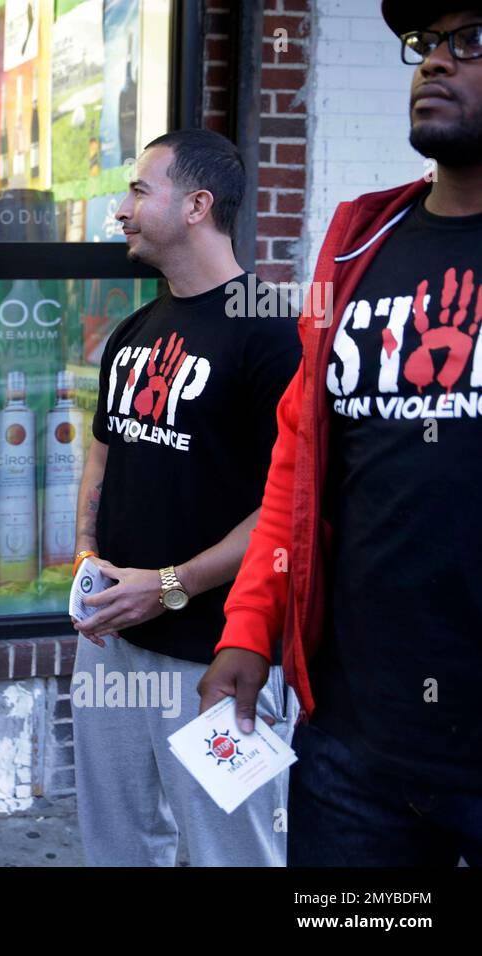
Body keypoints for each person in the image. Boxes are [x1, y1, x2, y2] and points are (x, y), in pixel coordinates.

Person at [199, 1, 482, 867]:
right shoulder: (359, 242)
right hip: (353, 748)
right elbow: (299, 461)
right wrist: (249, 627)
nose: (434, 62)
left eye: (470, 41)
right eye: (426, 43)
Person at [71, 129, 302, 866]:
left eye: (140, 190)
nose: (122, 209)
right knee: (116, 845)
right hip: (112, 643)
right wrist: (87, 557)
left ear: (198, 204)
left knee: (231, 850)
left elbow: (288, 502)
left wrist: (169, 587)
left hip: (219, 653)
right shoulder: (134, 330)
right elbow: (101, 453)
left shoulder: (273, 331)